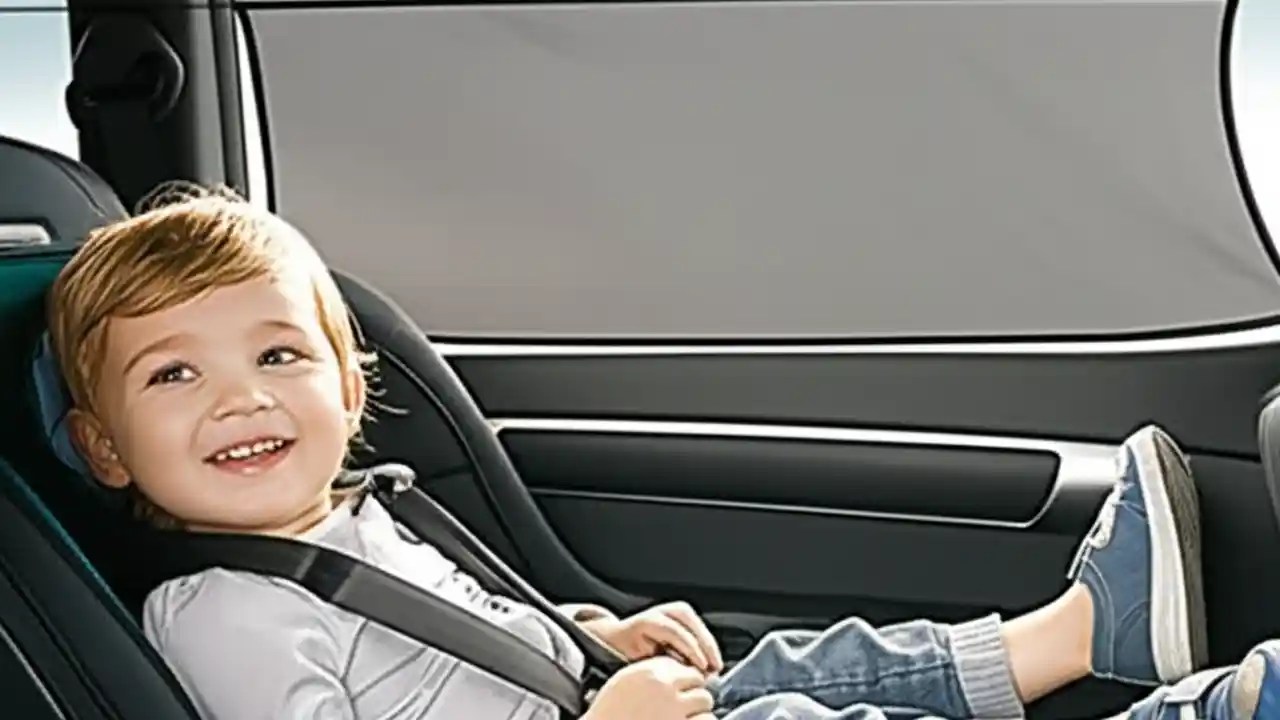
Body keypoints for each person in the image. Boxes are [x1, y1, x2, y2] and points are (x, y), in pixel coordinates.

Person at [43, 185, 1280, 720]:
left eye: (278, 356)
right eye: (173, 375)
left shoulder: (355, 517)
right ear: (103, 450)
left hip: (582, 693)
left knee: (796, 669)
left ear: (348, 383)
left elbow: (450, 635)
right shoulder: (223, 614)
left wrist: (586, 635)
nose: (239, 400)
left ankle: (1078, 638)